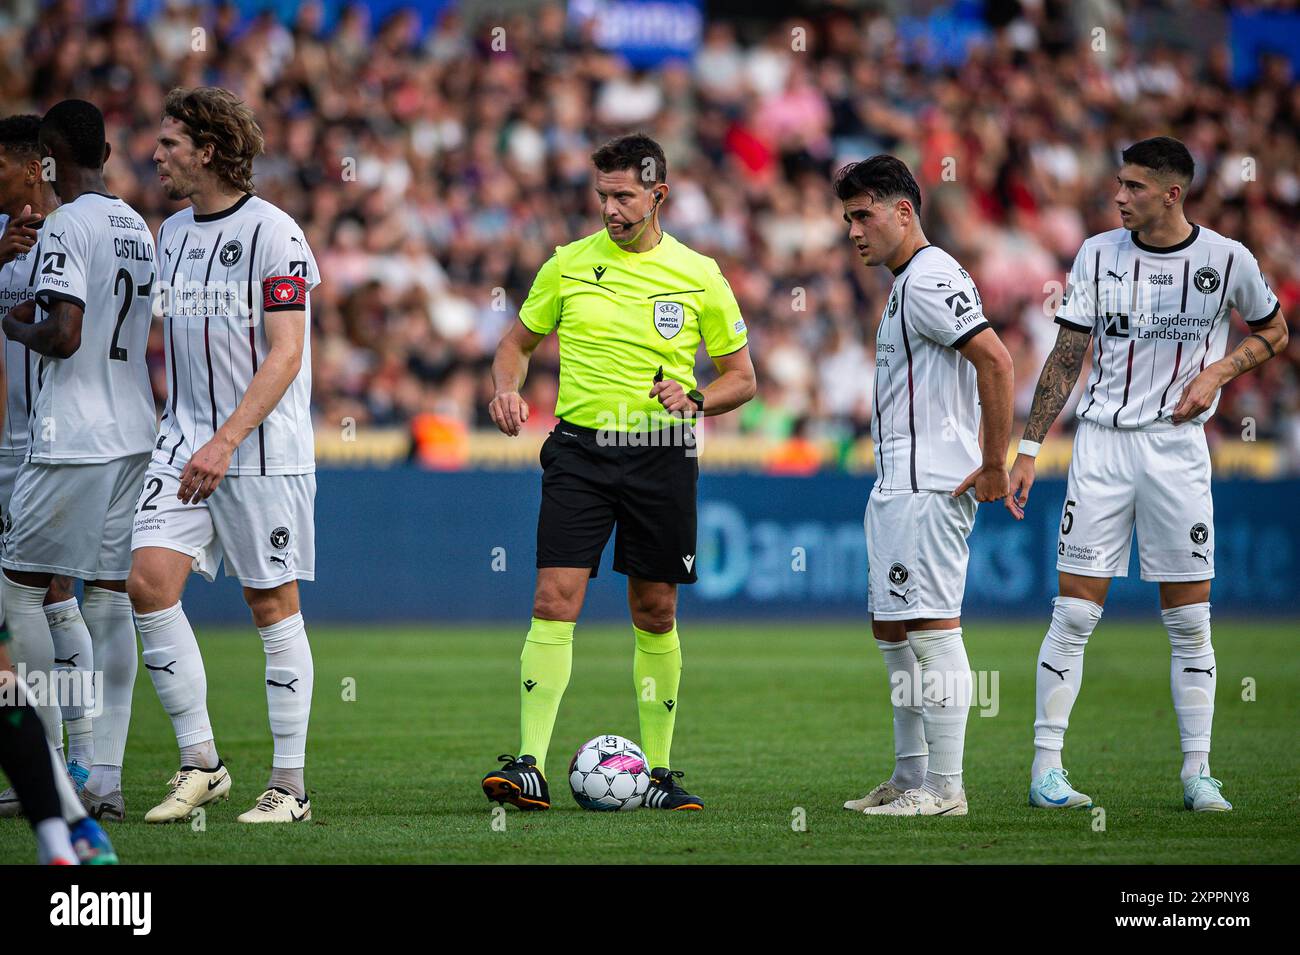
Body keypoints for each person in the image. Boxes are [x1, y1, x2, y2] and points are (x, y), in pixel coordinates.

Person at [1008, 136, 1287, 812]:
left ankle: (1198, 772)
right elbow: (1068, 353)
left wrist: (1219, 370)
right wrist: (1028, 444)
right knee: (1073, 611)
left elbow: (1275, 331)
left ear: (1172, 192)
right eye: (1119, 183)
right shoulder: (1097, 254)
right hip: (1101, 447)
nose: (1120, 196)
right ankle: (1047, 770)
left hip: (1178, 450)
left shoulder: (1227, 260)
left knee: (1191, 621)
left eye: (1134, 186)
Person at [480, 133, 756, 811]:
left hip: (663, 450)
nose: (610, 207)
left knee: (655, 608)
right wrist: (506, 387)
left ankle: (659, 773)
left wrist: (694, 399)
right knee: (554, 598)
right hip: (578, 450)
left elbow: (742, 379)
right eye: (602, 194)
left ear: (658, 194)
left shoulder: (699, 274)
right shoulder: (567, 264)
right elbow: (514, 344)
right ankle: (528, 766)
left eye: (624, 195)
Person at [128, 87, 320, 824]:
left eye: (171, 143)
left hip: (260, 451)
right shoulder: (171, 231)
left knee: (270, 604)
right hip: (184, 442)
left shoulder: (277, 235)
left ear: (208, 150)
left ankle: (290, 786)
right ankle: (202, 763)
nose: (158, 154)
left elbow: (287, 351)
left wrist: (227, 438)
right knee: (147, 581)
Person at [833, 156, 1014, 818]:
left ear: (903, 211)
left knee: (933, 631)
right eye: (848, 217)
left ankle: (946, 787)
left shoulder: (932, 277)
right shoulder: (908, 282)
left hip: (930, 484)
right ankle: (911, 776)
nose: (853, 230)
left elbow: (995, 358)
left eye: (863, 214)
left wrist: (995, 461)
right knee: (893, 631)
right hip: (896, 485)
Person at [0, 100, 154, 825]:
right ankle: (106, 777)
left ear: (51, 160)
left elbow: (63, 334)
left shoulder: (65, 223)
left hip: (71, 435)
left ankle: (49, 774)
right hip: (133, 430)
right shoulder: (135, 226)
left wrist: (14, 321)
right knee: (110, 596)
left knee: (22, 593)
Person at [0, 113, 98, 819]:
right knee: (29, 596)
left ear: (34, 165)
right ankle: (52, 761)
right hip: (6, 440)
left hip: (49, 436)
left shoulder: (70, 230)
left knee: (50, 589)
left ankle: (75, 758)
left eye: (0, 165)